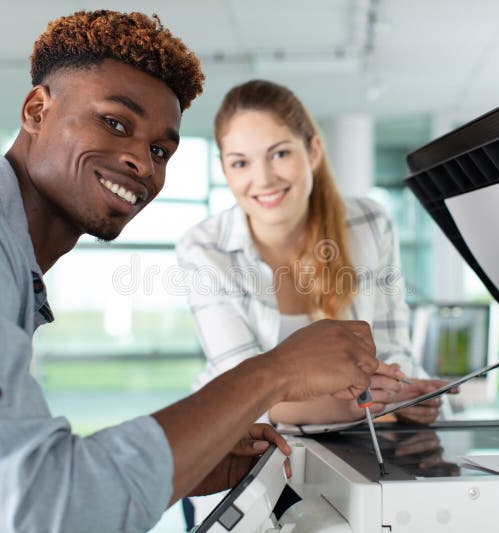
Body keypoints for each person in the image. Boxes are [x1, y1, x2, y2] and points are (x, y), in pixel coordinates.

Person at [0, 12, 392, 533]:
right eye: (115, 123)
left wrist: (179, 469)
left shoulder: (6, 262)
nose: (143, 162)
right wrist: (276, 371)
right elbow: (46, 507)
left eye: (161, 150)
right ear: (35, 110)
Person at [177, 79, 452, 428]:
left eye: (279, 154)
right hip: (253, 444)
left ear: (313, 152)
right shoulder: (204, 248)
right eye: (240, 163)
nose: (262, 179)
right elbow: (242, 393)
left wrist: (410, 392)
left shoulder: (369, 223)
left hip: (365, 437)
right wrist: (375, 403)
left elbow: (392, 351)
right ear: (225, 170)